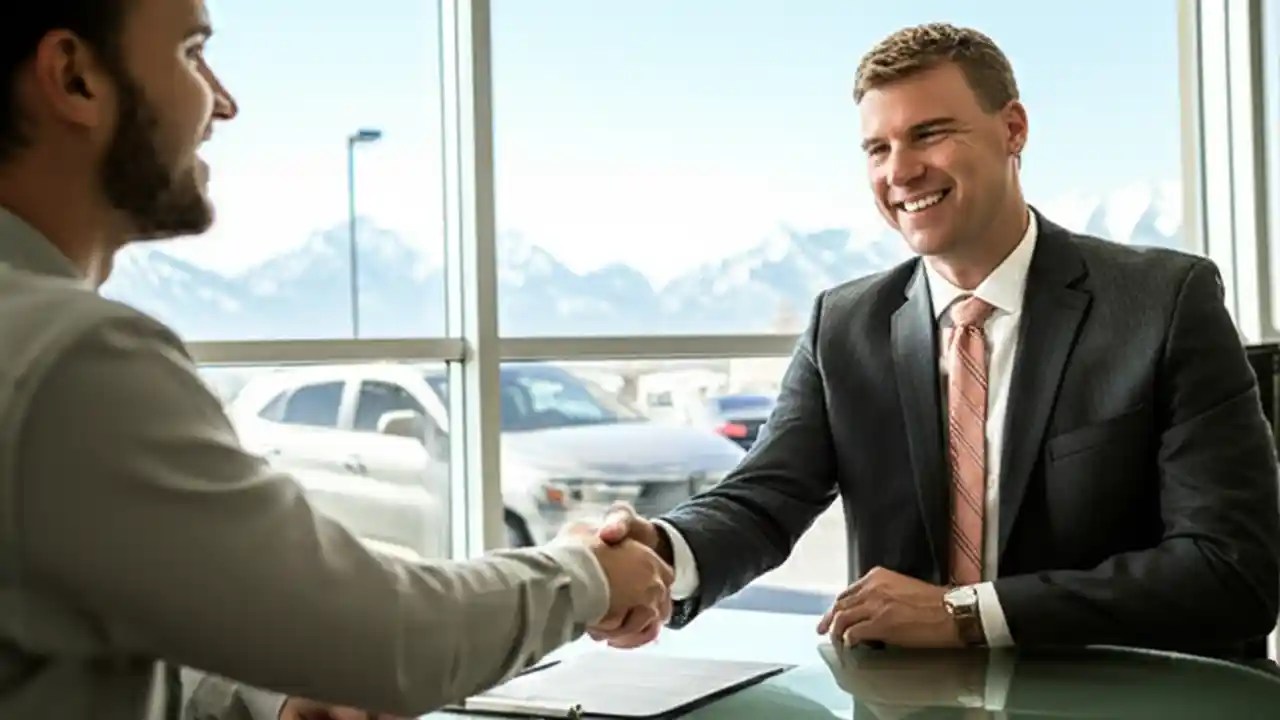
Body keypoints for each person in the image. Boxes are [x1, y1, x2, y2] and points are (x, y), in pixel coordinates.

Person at [0, 2, 673, 719]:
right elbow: (390, 639)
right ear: (75, 79)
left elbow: (75, 625)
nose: (223, 102)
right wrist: (588, 575)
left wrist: (268, 698)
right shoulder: (72, 360)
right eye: (192, 54)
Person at [590, 22, 1280, 660]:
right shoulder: (846, 323)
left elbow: (1232, 568)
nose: (900, 170)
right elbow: (762, 501)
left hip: (1126, 693)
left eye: (930, 134)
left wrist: (967, 614)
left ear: (1014, 129)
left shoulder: (1162, 302)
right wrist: (656, 552)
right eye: (877, 148)